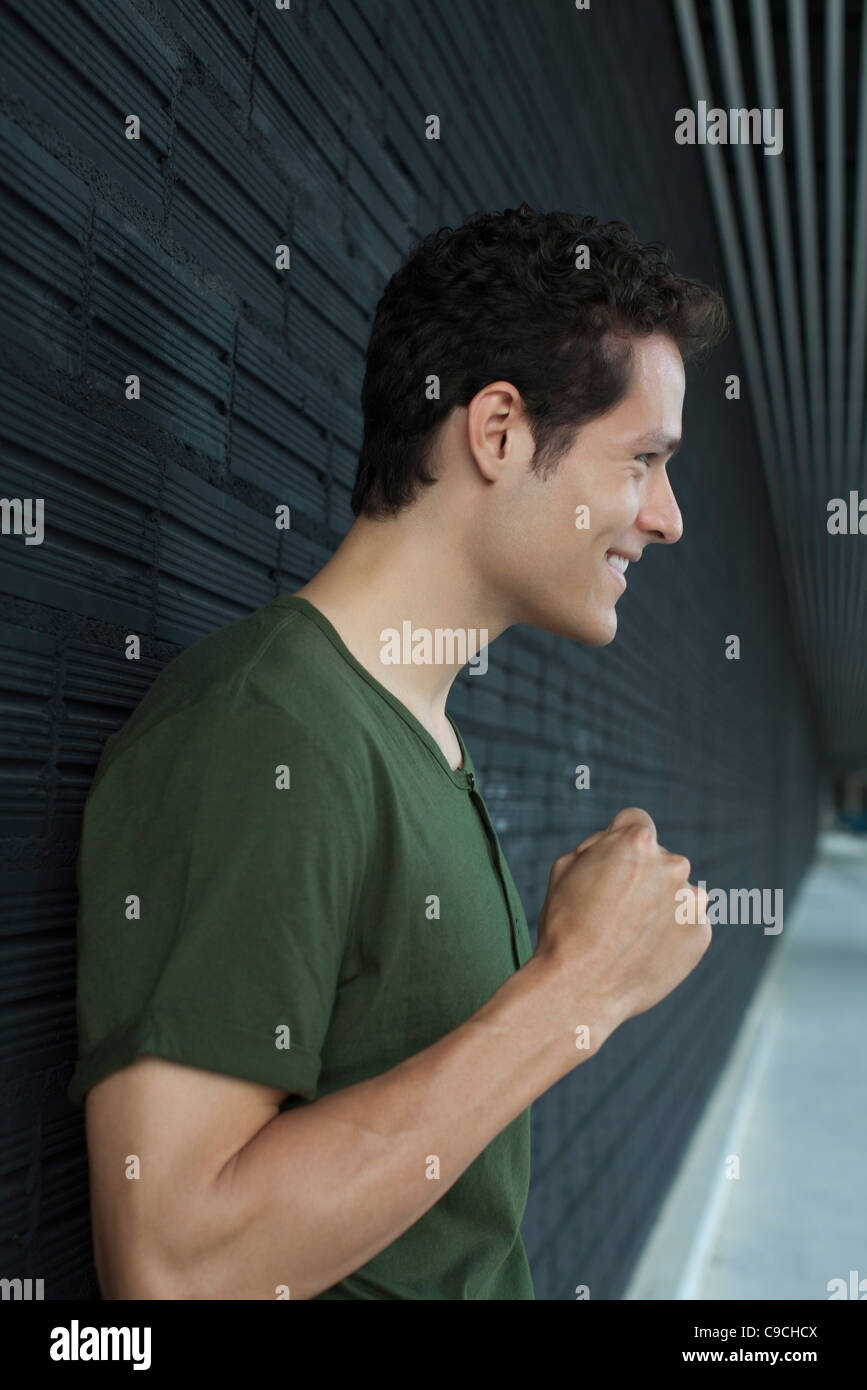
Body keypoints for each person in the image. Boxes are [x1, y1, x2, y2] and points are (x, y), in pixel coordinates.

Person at [69, 204, 727, 1300]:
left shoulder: (414, 731)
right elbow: (172, 1265)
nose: (667, 517)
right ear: (501, 431)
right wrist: (579, 989)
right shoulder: (265, 726)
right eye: (644, 460)